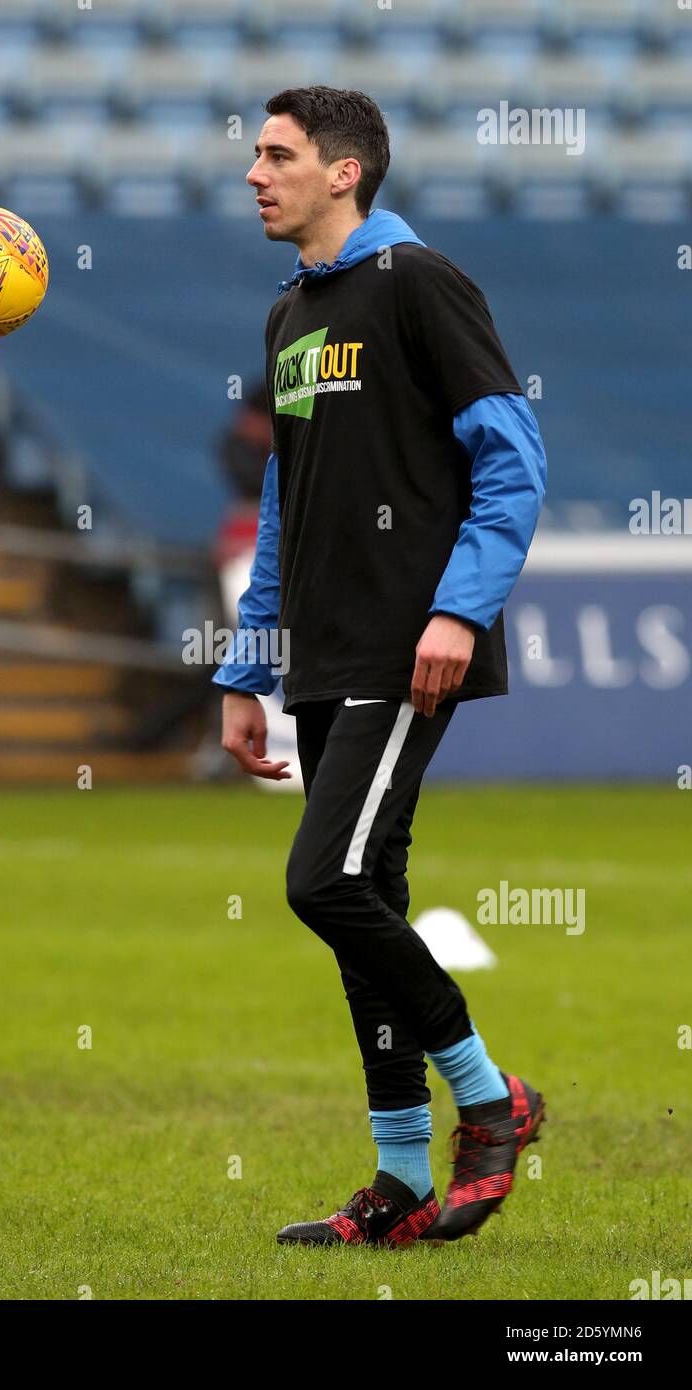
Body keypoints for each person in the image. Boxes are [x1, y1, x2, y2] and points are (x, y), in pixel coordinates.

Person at [212, 87, 548, 1248]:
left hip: (406, 648)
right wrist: (247, 670)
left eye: (277, 155)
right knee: (371, 903)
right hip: (318, 651)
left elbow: (514, 457)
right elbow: (282, 500)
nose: (254, 173)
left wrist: (457, 612)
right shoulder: (288, 314)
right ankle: (400, 1177)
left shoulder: (420, 283)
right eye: (255, 154)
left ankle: (494, 1099)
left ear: (345, 172)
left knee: (324, 884)